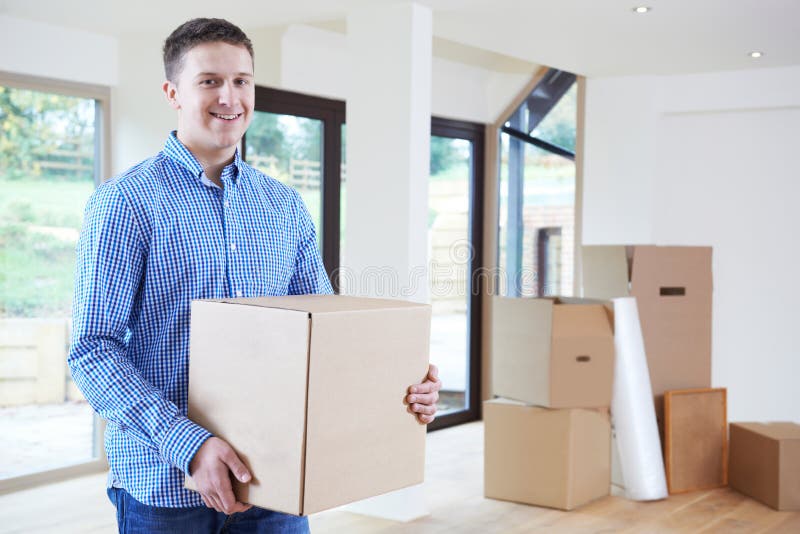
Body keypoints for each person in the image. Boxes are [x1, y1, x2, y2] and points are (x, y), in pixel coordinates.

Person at [68, 17, 442, 533]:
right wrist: (189, 444)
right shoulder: (125, 203)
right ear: (173, 92)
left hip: (277, 484)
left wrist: (401, 385)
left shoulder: (283, 206)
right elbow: (92, 350)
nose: (229, 97)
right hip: (166, 490)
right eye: (209, 81)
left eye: (241, 80)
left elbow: (325, 338)